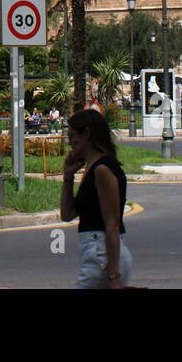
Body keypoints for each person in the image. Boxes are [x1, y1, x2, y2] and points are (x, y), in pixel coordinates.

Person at [60, 109, 131, 288]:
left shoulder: (103, 169)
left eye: (72, 135)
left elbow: (112, 223)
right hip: (95, 252)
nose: (70, 142)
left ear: (87, 134)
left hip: (102, 255)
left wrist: (114, 274)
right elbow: (67, 214)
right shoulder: (91, 169)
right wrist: (68, 177)